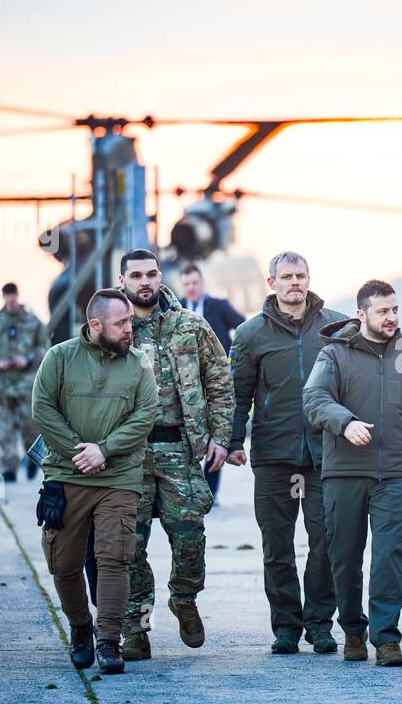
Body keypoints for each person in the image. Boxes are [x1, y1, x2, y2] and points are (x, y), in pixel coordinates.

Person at [303, 280, 402, 668]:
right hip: (344, 473)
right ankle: (351, 629)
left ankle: (386, 639)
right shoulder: (334, 356)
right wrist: (344, 423)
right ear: (362, 314)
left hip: (394, 476)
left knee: (388, 558)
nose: (392, 318)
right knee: (344, 558)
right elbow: (314, 399)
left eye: (395, 310)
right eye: (383, 311)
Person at [112, 249, 234, 661]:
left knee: (189, 540)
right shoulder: (109, 328)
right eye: (135, 276)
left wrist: (221, 437)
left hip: (179, 449)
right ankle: (135, 627)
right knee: (130, 546)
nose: (144, 282)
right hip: (126, 455)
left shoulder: (190, 326)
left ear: (160, 276)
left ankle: (184, 599)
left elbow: (219, 381)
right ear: (123, 279)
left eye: (150, 274)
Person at [31, 288, 158, 674]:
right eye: (121, 324)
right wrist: (78, 451)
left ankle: (108, 641)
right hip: (67, 475)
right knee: (63, 564)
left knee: (113, 559)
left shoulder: (138, 366)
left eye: (130, 323)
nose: (129, 329)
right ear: (96, 324)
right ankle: (81, 628)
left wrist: (104, 450)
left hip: (119, 477)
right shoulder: (60, 358)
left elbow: (145, 415)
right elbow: (43, 407)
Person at [230, 251, 346, 654]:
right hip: (274, 455)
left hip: (325, 454)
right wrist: (231, 443)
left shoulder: (338, 326)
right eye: (287, 276)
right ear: (272, 283)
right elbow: (238, 394)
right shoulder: (250, 335)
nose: (294, 282)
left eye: (300, 276)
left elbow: (355, 384)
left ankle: (319, 624)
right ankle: (285, 627)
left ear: (309, 279)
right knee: (276, 546)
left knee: (326, 540)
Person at [179, 263, 245, 505]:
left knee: (217, 435)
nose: (191, 287)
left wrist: (233, 359)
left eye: (195, 282)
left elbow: (244, 327)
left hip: (215, 382)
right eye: (187, 284)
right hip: (185, 386)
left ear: (202, 282)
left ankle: (210, 493)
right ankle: (187, 491)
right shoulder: (175, 308)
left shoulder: (218, 306)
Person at [0, 283, 49, 482]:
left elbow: (44, 345)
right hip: (3, 383)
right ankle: (10, 468)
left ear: (18, 296)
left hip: (26, 383)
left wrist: (27, 360)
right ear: (3, 297)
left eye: (13, 295)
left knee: (30, 425)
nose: (11, 299)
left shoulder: (32, 321)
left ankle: (32, 459)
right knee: (4, 427)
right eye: (8, 295)